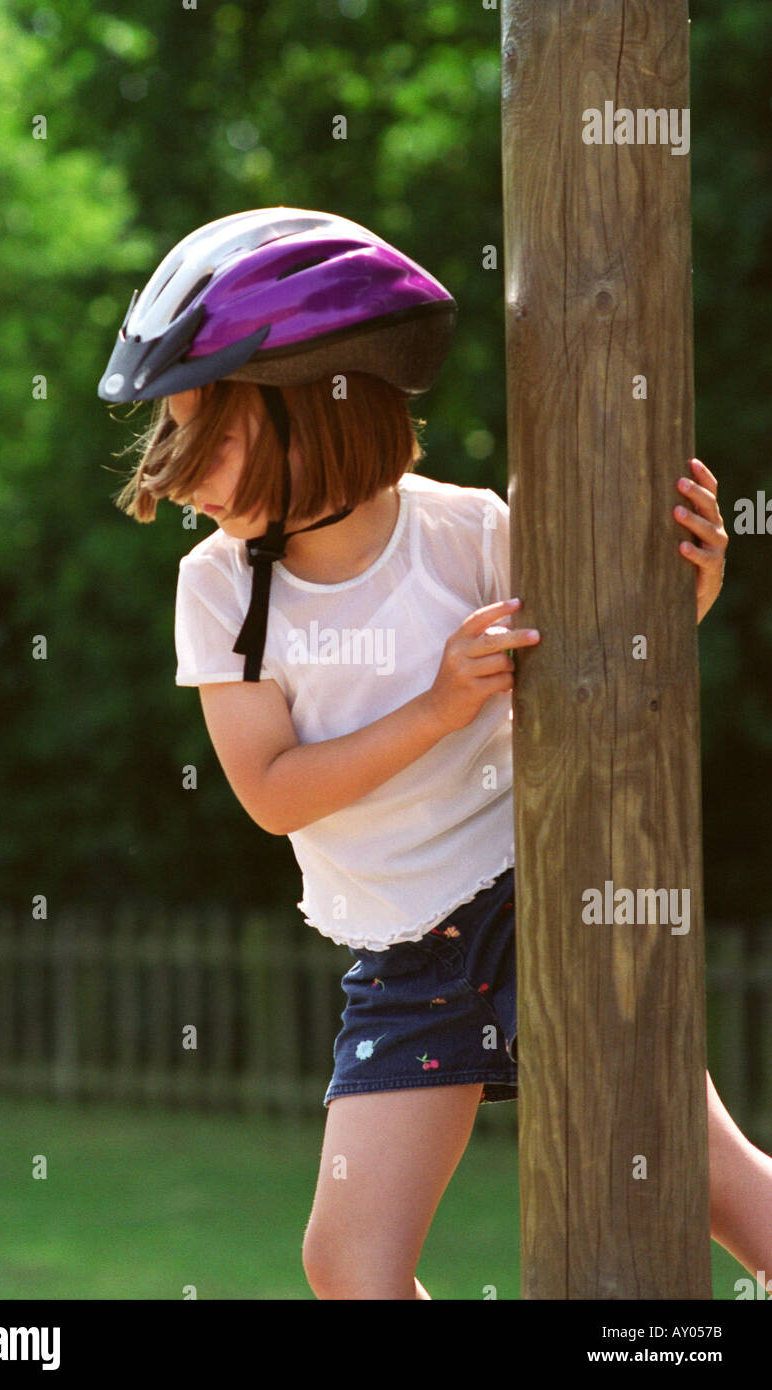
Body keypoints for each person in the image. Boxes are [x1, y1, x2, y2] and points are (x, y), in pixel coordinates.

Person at [99, 206, 772, 1300]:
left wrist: (677, 592)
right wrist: (434, 706)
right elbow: (270, 792)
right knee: (349, 1268)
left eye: (207, 435)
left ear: (322, 399)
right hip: (408, 958)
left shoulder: (469, 534)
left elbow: (601, 665)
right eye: (170, 437)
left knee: (727, 1194)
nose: (181, 474)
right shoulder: (218, 586)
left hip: (545, 901)